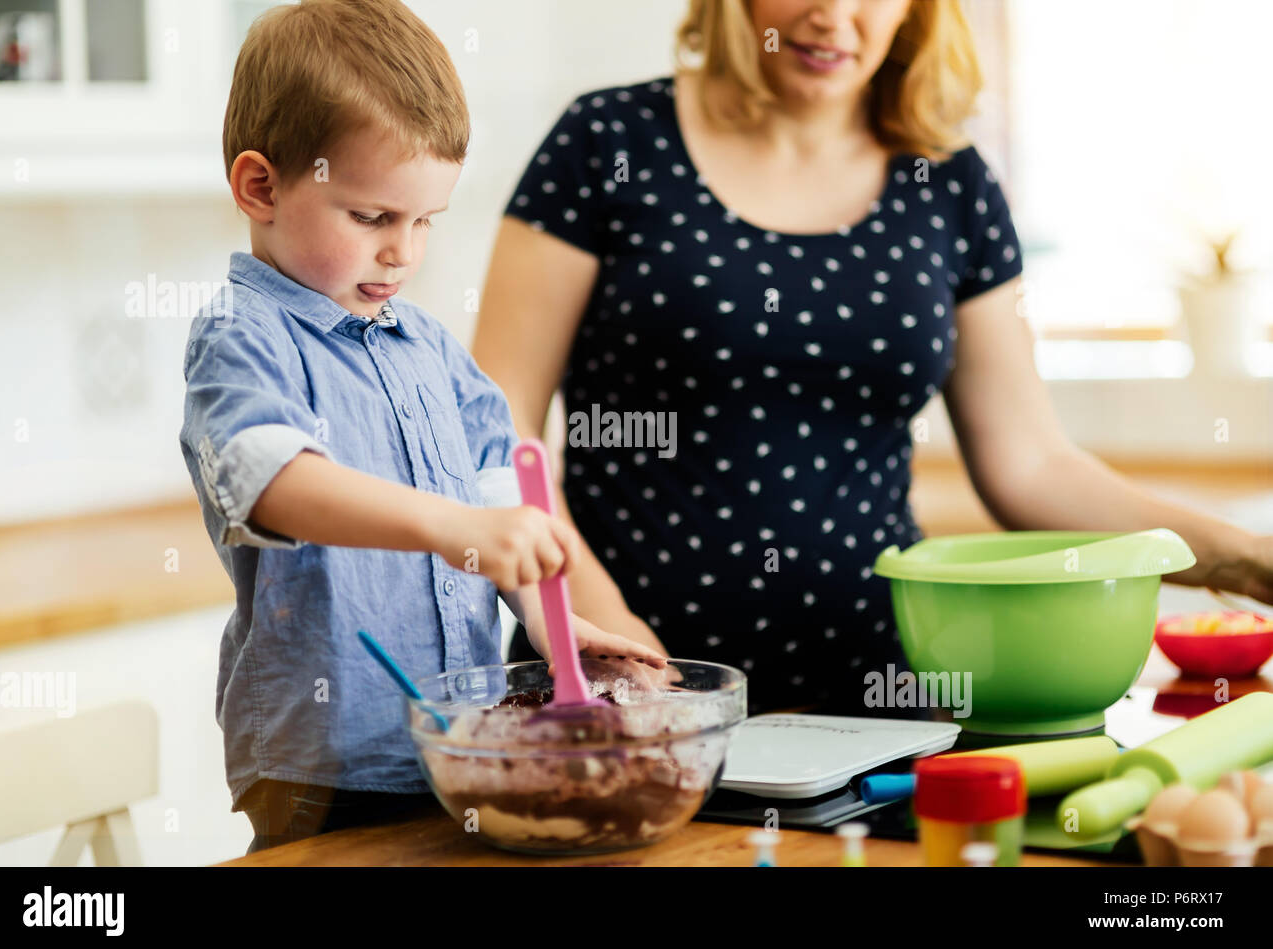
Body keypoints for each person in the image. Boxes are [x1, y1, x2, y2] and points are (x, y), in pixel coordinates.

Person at [472, 0, 1273, 717]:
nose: (834, 15)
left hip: (880, 688)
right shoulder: (605, 141)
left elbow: (1030, 464)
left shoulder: (950, 182)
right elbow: (494, 426)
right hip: (620, 679)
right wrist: (597, 632)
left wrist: (1246, 562)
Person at [180, 0, 663, 854]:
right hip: (323, 768)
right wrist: (452, 529)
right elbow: (270, 477)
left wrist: (545, 619)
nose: (403, 252)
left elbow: (496, 483)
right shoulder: (241, 334)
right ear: (260, 186)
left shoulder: (426, 344)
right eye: (372, 218)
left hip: (456, 745)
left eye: (425, 221)